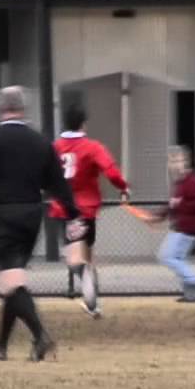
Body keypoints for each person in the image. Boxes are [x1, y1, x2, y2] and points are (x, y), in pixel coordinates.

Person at [0, 86, 82, 362]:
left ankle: (41, 336)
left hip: (3, 214)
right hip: (32, 215)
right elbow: (58, 183)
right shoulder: (40, 141)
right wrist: (73, 214)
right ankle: (0, 346)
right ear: (24, 109)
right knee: (12, 281)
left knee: (12, 282)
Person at [49, 103, 130, 318]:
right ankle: (94, 304)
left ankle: (92, 300)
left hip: (65, 209)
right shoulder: (92, 147)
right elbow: (111, 171)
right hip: (87, 208)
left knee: (75, 259)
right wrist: (123, 187)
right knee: (88, 255)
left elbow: (44, 174)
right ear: (83, 124)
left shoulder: (55, 147)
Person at [149, 147, 195, 303]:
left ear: (185, 162)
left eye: (178, 161)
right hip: (181, 227)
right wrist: (157, 217)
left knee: (166, 256)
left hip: (186, 228)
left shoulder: (192, 182)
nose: (175, 165)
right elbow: (171, 206)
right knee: (178, 259)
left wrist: (179, 205)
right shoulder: (180, 184)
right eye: (172, 161)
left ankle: (194, 279)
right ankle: (191, 295)